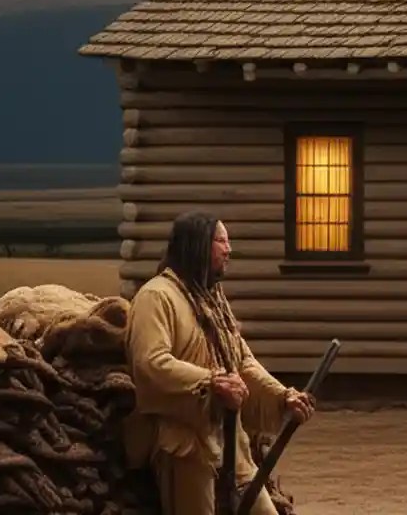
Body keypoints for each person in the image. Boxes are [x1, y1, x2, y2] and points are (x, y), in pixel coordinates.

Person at [123, 210, 316, 515]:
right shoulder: (156, 297)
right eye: (221, 241)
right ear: (197, 245)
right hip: (186, 445)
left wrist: (283, 396)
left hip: (231, 443)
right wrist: (210, 382)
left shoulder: (213, 300)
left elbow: (242, 361)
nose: (229, 249)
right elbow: (151, 362)